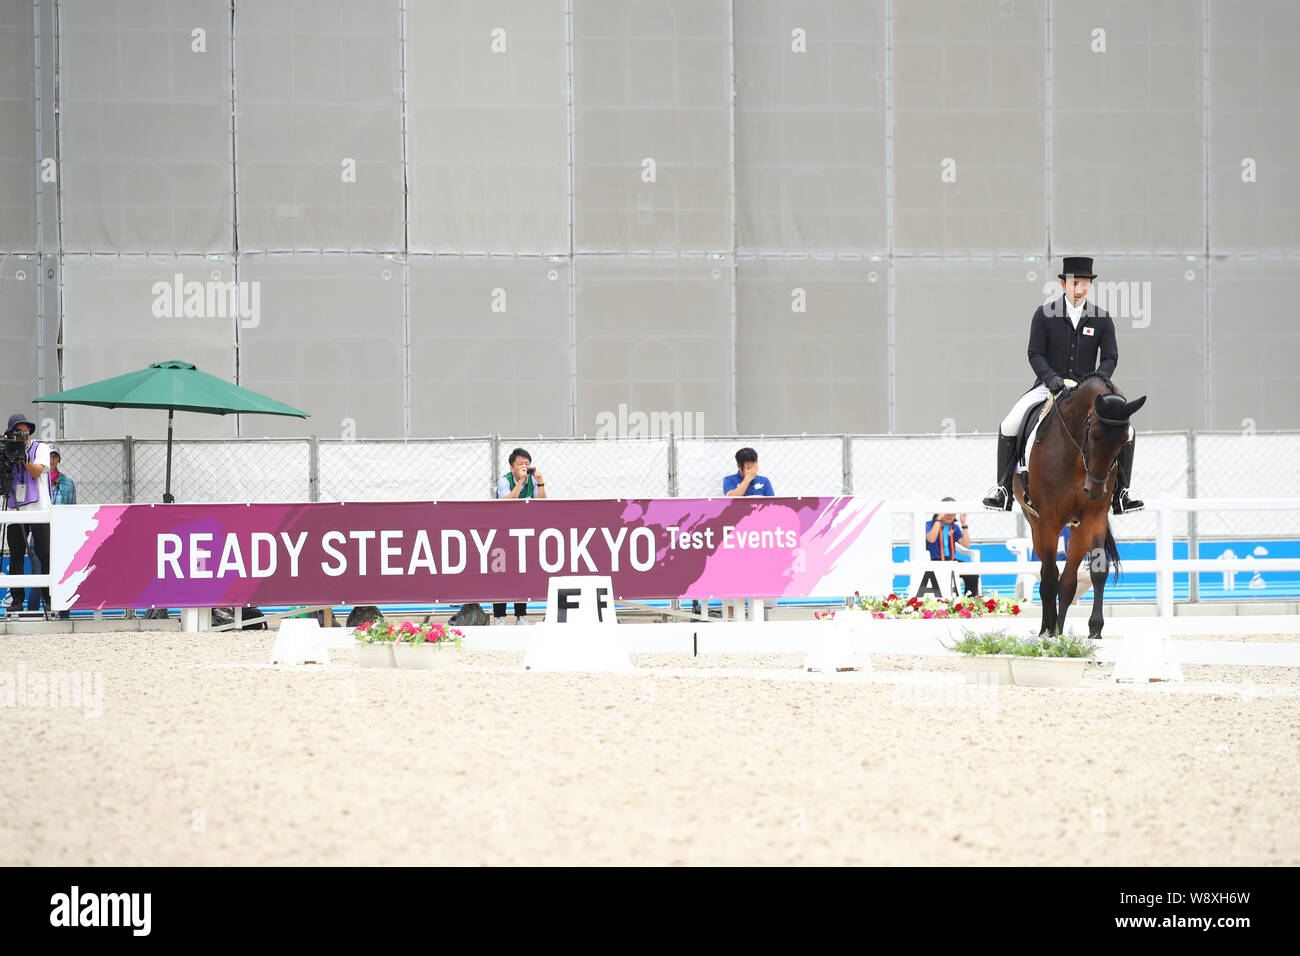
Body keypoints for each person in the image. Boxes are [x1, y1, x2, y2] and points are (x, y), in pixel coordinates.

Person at [982, 256, 1143, 514]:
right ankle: (1002, 489)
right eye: (1074, 283)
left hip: (1087, 392)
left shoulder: (1101, 318)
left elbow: (1111, 356)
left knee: (1129, 431)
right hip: (1049, 387)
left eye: (1084, 284)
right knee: (1009, 423)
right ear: (1063, 283)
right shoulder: (1045, 315)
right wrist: (1051, 379)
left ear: (1090, 285)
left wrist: (1096, 381)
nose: (1079, 290)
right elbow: (1035, 353)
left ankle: (1122, 492)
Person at [4, 412, 52, 616]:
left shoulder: (40, 448)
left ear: (30, 431)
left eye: (25, 431)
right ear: (10, 435)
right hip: (15, 508)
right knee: (15, 555)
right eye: (17, 432)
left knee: (44, 554)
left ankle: (49, 598)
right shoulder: (6, 450)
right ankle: (16, 600)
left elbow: (35, 472)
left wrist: (22, 457)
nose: (22, 435)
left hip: (39, 508)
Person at [493, 447, 546, 625]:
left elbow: (543, 502)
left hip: (524, 532)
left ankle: (520, 615)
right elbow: (506, 501)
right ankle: (499, 616)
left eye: (527, 464)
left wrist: (540, 481)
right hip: (503, 533)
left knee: (522, 572)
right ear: (512, 467)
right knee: (501, 574)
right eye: (520, 464)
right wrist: (520, 483)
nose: (524, 467)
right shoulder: (504, 481)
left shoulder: (532, 480)